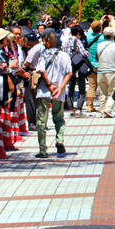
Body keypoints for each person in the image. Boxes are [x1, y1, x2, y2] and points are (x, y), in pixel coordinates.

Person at [33, 30, 71, 158]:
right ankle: (59, 140)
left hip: (44, 91)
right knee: (59, 118)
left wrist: (49, 85)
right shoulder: (64, 55)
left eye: (43, 40)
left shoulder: (44, 54)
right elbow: (69, 73)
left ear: (48, 42)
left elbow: (42, 70)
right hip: (58, 94)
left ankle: (42, 149)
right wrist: (60, 88)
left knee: (41, 121)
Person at [94, 26, 115, 117]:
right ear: (113, 35)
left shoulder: (98, 45)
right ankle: (108, 109)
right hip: (112, 71)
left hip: (100, 71)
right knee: (113, 91)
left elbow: (96, 58)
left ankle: (102, 110)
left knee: (102, 92)